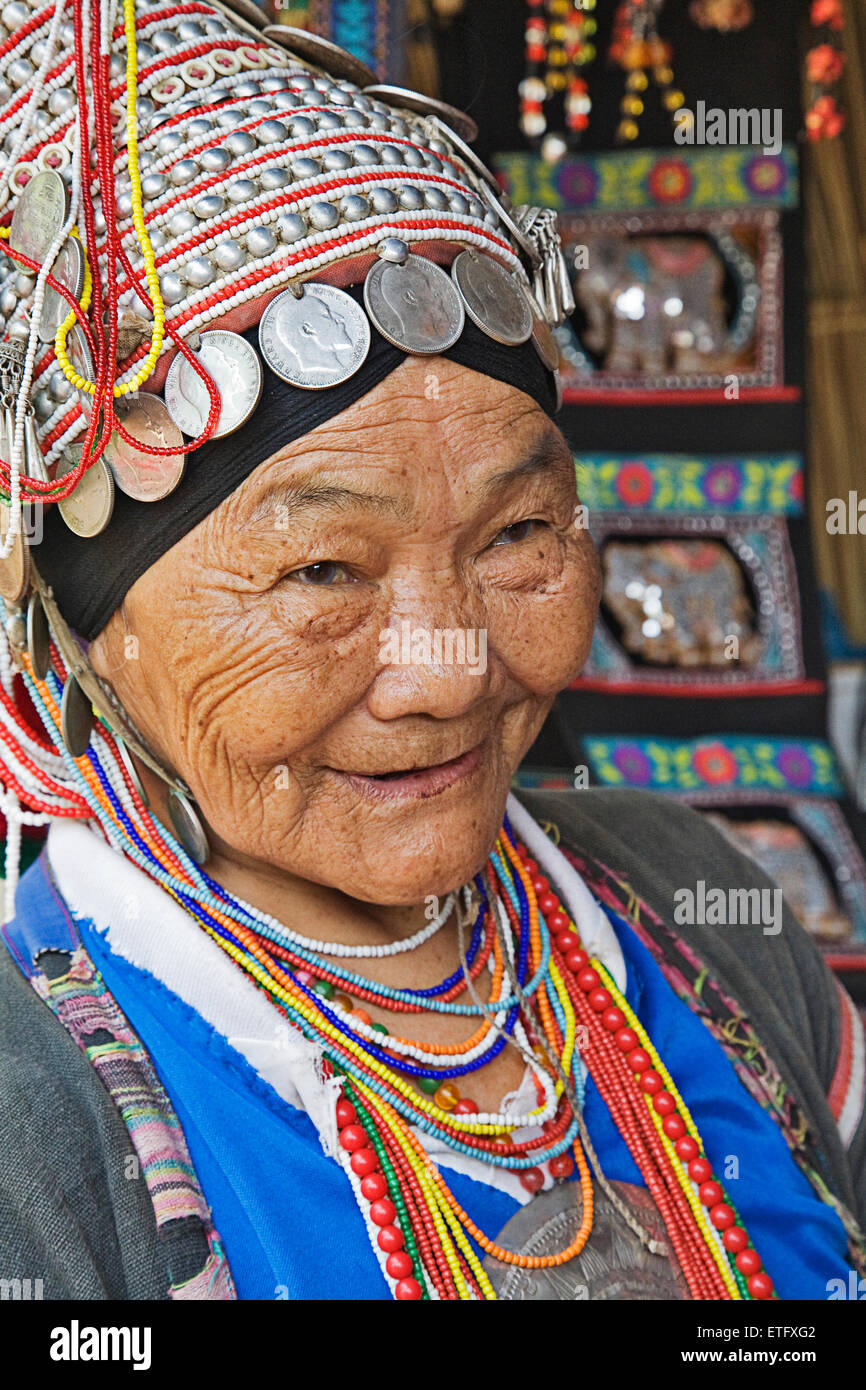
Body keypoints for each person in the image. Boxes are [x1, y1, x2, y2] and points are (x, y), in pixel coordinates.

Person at [0, 0, 863, 1303]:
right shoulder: (34, 1118)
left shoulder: (682, 897)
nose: (450, 667)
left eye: (516, 533)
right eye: (324, 572)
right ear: (83, 627)